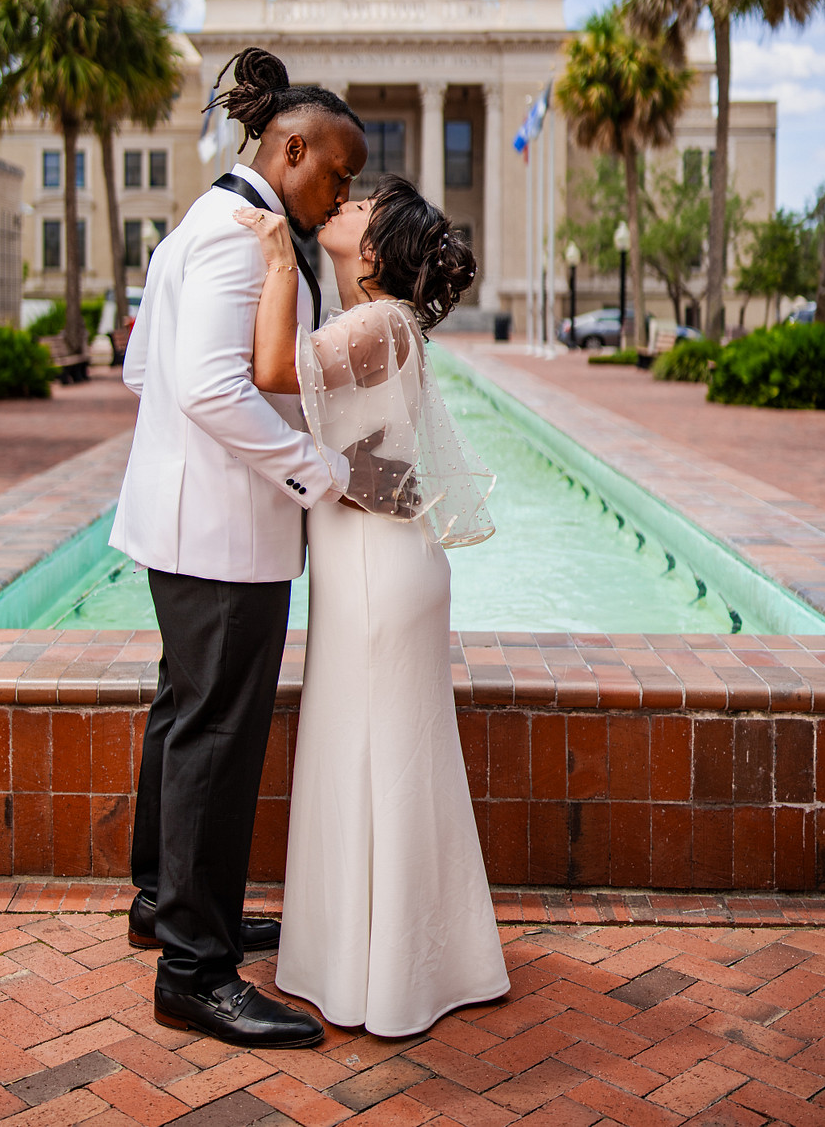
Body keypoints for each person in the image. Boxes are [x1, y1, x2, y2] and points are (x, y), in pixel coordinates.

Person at [110, 49, 412, 1048]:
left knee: (182, 715)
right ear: (290, 148)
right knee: (217, 739)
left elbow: (138, 367)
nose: (342, 193)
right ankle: (196, 969)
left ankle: (168, 902)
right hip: (223, 534)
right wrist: (315, 471)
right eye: (335, 172)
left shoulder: (204, 220)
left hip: (182, 521)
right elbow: (205, 386)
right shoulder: (245, 236)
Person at [234, 173, 510, 1036]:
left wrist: (278, 259)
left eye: (358, 207)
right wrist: (351, 485)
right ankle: (395, 962)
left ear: (381, 246)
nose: (340, 208)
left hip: (376, 577)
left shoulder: (380, 321)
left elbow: (272, 369)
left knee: (377, 760)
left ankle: (387, 976)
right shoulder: (388, 328)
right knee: (380, 760)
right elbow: (378, 464)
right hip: (379, 563)